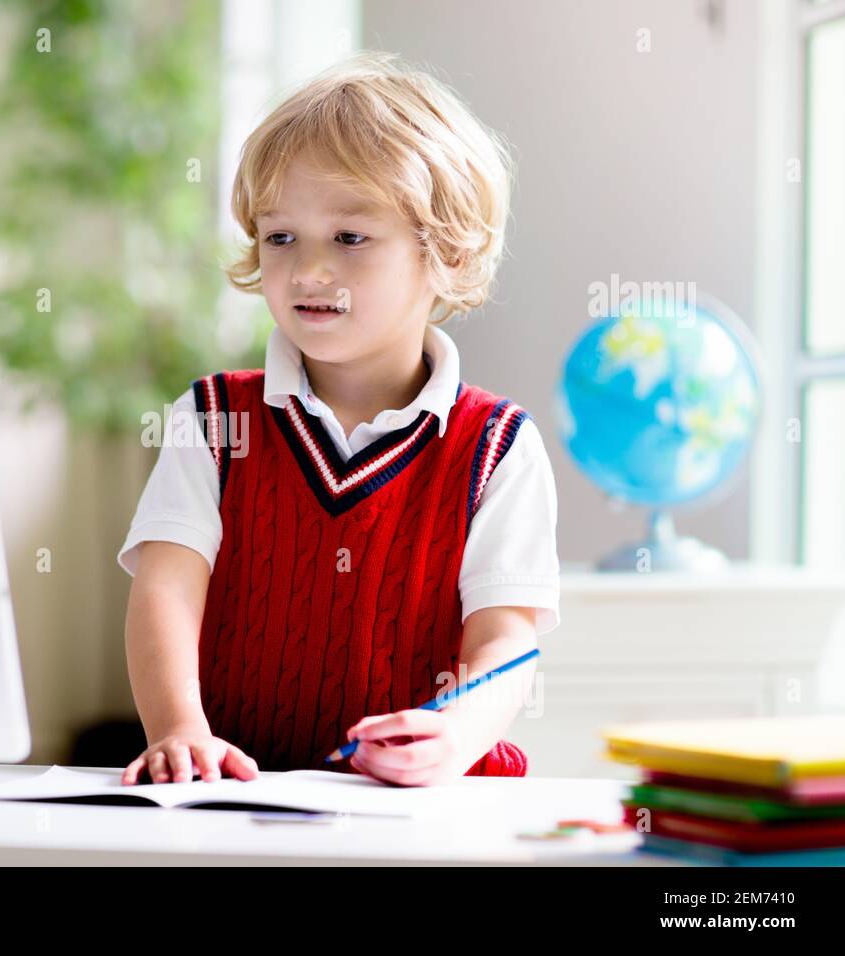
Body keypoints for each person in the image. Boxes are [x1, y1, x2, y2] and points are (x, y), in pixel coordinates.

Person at [117, 52, 559, 787]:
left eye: (349, 238)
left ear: (444, 250)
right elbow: (164, 587)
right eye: (281, 236)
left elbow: (504, 640)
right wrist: (180, 732)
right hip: (236, 794)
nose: (308, 271)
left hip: (423, 808)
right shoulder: (213, 417)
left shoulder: (498, 447)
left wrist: (454, 736)